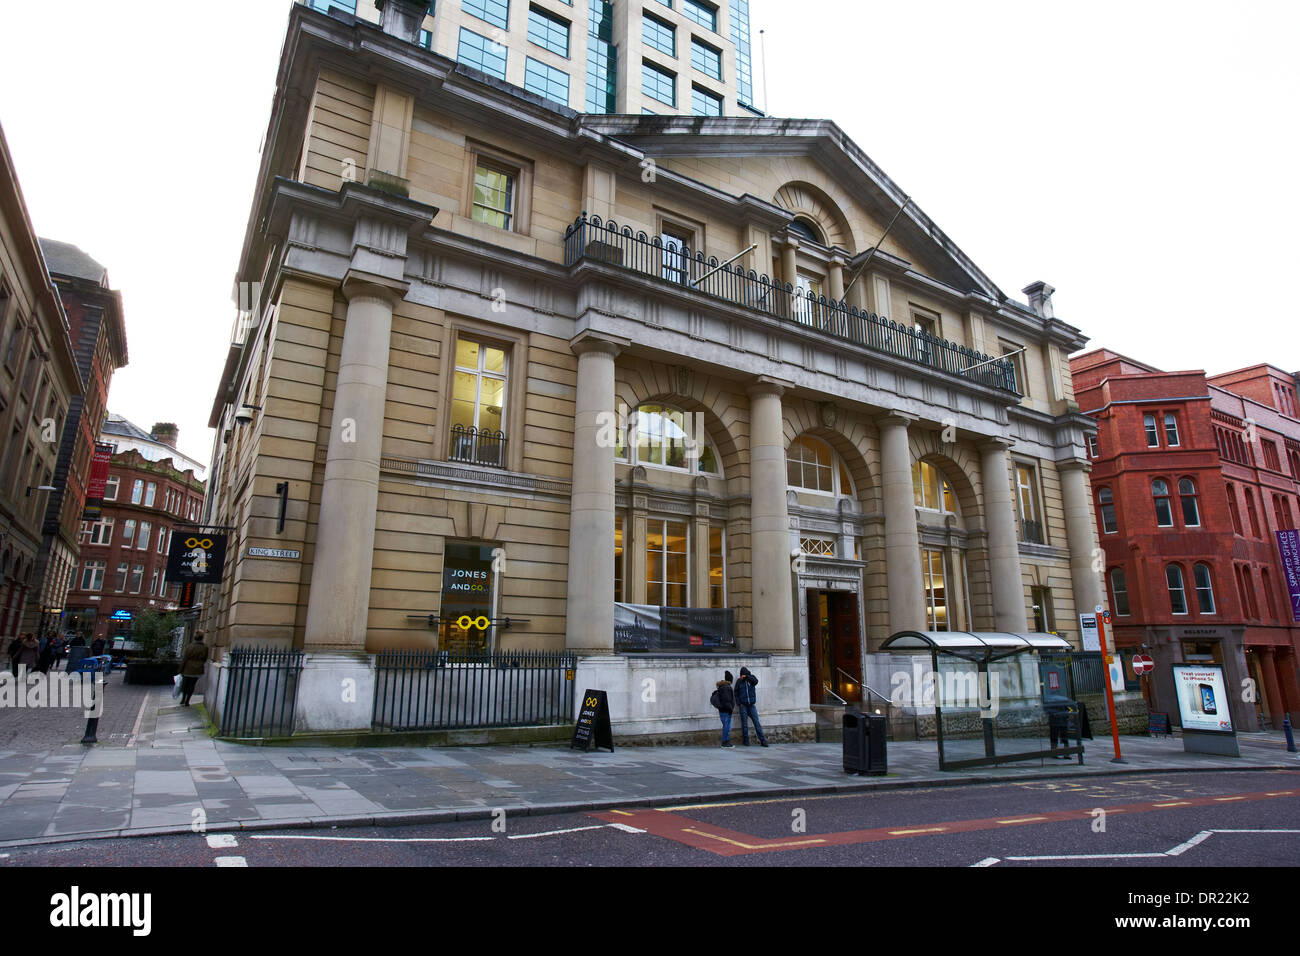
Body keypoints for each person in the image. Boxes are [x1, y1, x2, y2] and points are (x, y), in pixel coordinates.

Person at [734, 666, 768, 747]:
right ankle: (746, 741)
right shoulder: (739, 681)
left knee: (757, 723)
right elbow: (735, 693)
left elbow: (756, 681)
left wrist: (747, 677)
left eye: (743, 675)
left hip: (752, 705)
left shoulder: (751, 679)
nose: (742, 676)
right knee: (744, 724)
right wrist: (739, 703)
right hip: (743, 705)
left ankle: (763, 741)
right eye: (741, 675)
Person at [178, 631, 208, 707]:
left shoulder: (190, 646)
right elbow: (205, 659)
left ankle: (183, 699)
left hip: (188, 668)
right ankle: (187, 701)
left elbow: (185, 658)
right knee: (192, 685)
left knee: (185, 684)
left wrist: (180, 669)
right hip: (198, 669)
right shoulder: (205, 647)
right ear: (202, 638)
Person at [713, 670, 736, 748]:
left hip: (723, 710)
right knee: (727, 726)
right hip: (726, 710)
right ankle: (725, 742)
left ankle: (726, 741)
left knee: (726, 726)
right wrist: (730, 709)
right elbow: (727, 700)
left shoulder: (723, 687)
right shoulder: (727, 687)